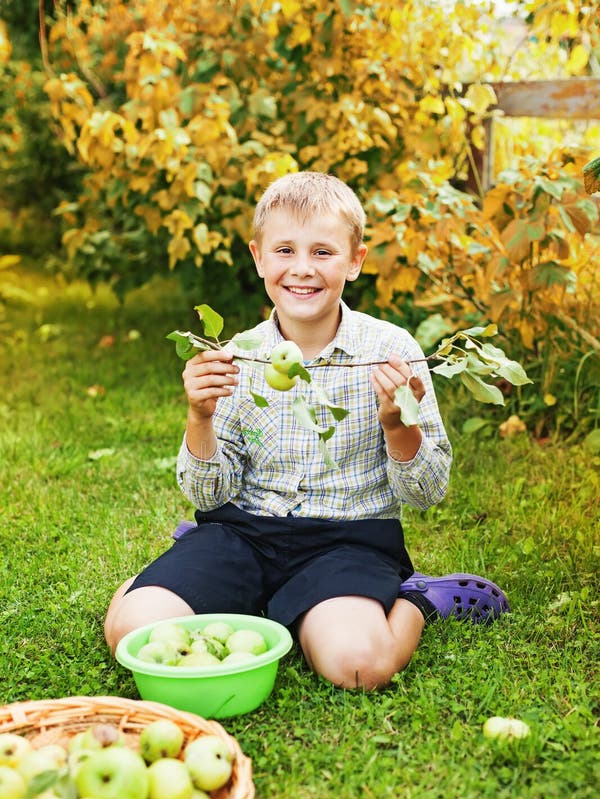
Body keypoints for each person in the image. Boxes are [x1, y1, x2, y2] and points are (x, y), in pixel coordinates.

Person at [105, 171, 508, 690]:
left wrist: (397, 425)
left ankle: (418, 599)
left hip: (348, 542)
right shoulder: (240, 356)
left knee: (357, 667)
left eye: (322, 252)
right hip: (243, 534)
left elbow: (427, 493)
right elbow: (209, 493)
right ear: (258, 258)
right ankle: (168, 579)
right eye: (285, 251)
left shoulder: (391, 351)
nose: (302, 268)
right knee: (133, 635)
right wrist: (199, 417)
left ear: (355, 261)